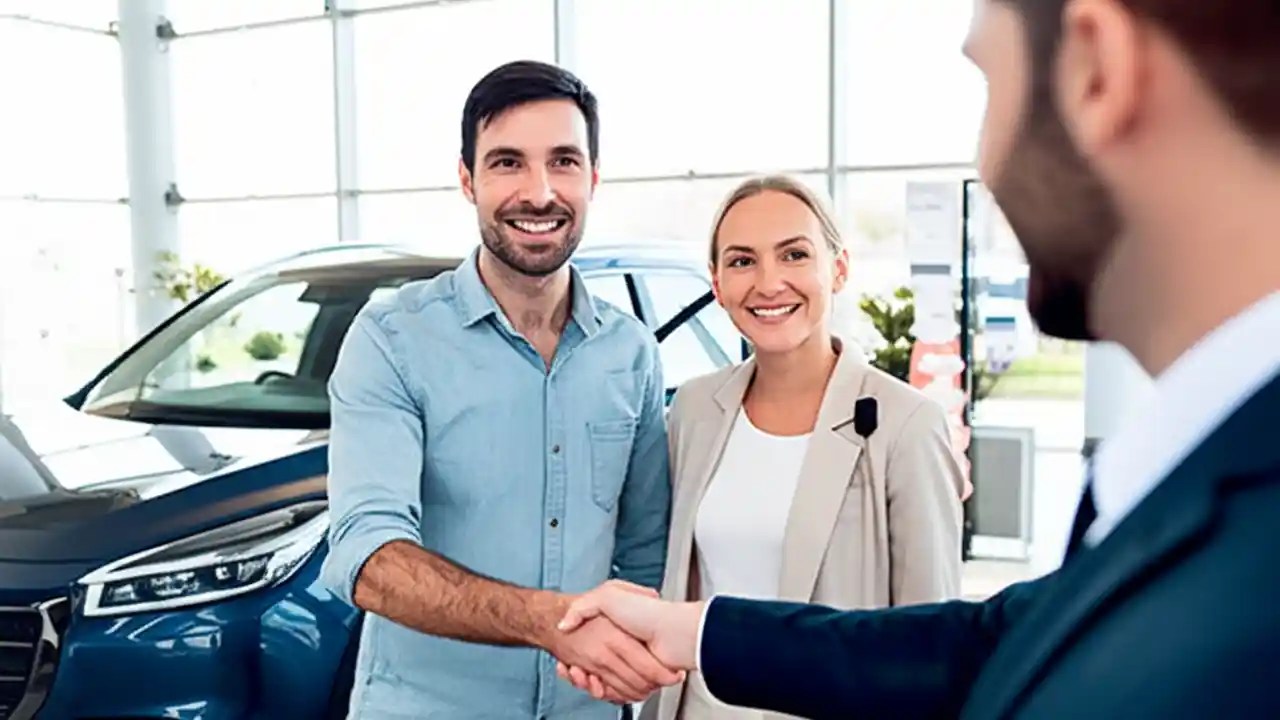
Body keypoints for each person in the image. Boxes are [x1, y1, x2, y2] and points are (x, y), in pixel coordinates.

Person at [555, 0, 1280, 717]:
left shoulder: (1231, 529)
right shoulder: (1178, 473)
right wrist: (695, 632)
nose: (986, 164)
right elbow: (972, 644)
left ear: (1099, 69)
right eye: (742, 261)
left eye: (992, 85)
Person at [320, 60, 681, 718]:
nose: (540, 193)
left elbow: (644, 548)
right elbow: (366, 556)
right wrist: (549, 621)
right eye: (508, 162)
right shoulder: (391, 340)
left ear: (593, 179)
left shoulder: (631, 353)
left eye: (564, 162)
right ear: (468, 180)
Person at [639, 175, 966, 719]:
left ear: (837, 269)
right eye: (742, 261)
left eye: (794, 255)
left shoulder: (905, 425)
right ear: (717, 284)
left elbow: (933, 644)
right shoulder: (695, 410)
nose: (769, 283)